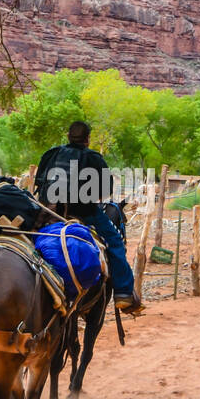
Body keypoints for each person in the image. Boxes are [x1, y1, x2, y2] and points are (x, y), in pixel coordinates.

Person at [35, 121, 143, 313]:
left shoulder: (51, 154)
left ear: (68, 136)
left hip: (50, 213)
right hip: (85, 213)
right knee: (115, 241)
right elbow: (106, 190)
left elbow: (39, 184)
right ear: (87, 139)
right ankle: (124, 294)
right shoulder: (93, 158)